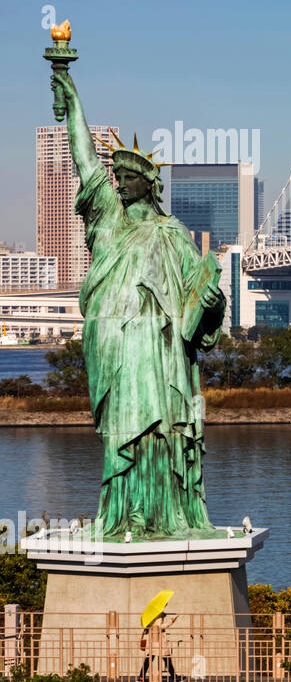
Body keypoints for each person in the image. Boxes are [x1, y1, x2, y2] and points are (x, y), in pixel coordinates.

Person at [49, 68, 225, 539]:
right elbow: (86, 162)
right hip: (112, 342)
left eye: (129, 178)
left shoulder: (173, 234)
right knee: (119, 430)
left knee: (160, 428)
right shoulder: (107, 222)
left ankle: (161, 515)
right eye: (118, 177)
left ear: (149, 185)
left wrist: (212, 301)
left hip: (158, 347)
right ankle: (122, 514)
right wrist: (72, 98)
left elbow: (199, 300)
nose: (120, 183)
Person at [138, 611, 178, 682]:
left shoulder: (152, 614)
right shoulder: (158, 615)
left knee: (150, 658)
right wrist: (171, 622)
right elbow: (158, 627)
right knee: (166, 658)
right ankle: (174, 678)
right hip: (158, 641)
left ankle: (141, 677)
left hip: (153, 640)